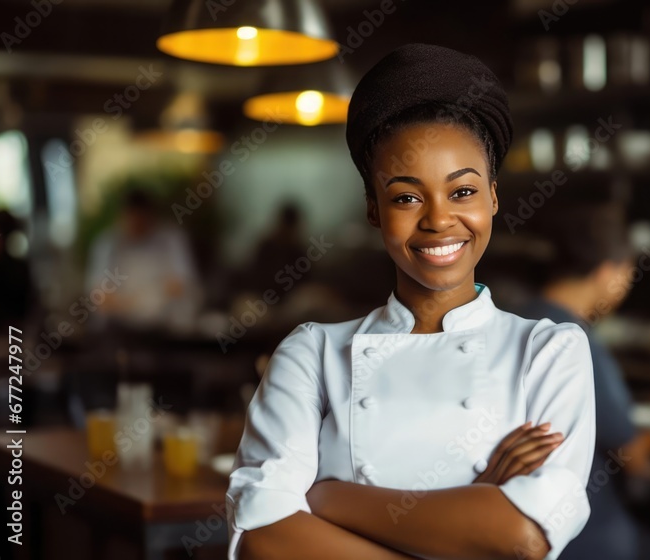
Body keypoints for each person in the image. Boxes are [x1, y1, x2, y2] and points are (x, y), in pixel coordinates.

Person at [226, 44, 596, 560]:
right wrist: (476, 504)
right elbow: (264, 538)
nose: (439, 220)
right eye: (406, 197)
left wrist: (328, 497)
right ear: (374, 210)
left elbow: (524, 536)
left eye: (462, 192)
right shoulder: (311, 353)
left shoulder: (549, 350)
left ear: (493, 196)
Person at [516, 202, 650, 560]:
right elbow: (633, 455)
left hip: (518, 521)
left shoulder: (515, 321)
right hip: (587, 535)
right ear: (610, 272)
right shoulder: (574, 340)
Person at [84, 188, 202, 331]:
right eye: (132, 220)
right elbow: (99, 295)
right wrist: (131, 305)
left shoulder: (172, 239)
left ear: (151, 216)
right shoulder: (107, 243)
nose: (137, 225)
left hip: (166, 328)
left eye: (142, 220)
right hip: (119, 329)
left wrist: (155, 298)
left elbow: (183, 283)